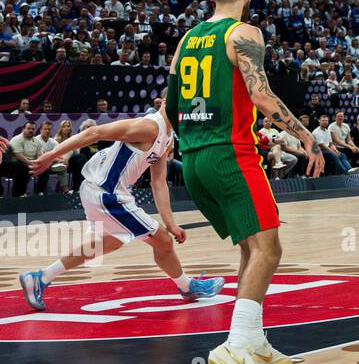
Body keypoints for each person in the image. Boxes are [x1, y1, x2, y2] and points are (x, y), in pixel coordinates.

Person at [165, 0, 324, 364]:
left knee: (250, 247)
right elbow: (261, 95)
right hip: (231, 155)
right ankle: (235, 346)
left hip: (193, 158)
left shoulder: (186, 39)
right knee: (270, 249)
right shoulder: (245, 34)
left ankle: (253, 342)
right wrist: (307, 136)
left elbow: (171, 105)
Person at [19, 111, 225, 311]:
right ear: (167, 101)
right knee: (163, 241)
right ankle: (187, 287)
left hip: (103, 192)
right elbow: (94, 133)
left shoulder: (167, 137)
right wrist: (52, 155)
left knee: (110, 242)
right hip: (106, 193)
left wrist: (170, 222)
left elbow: (159, 182)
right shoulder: (149, 126)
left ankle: (40, 278)